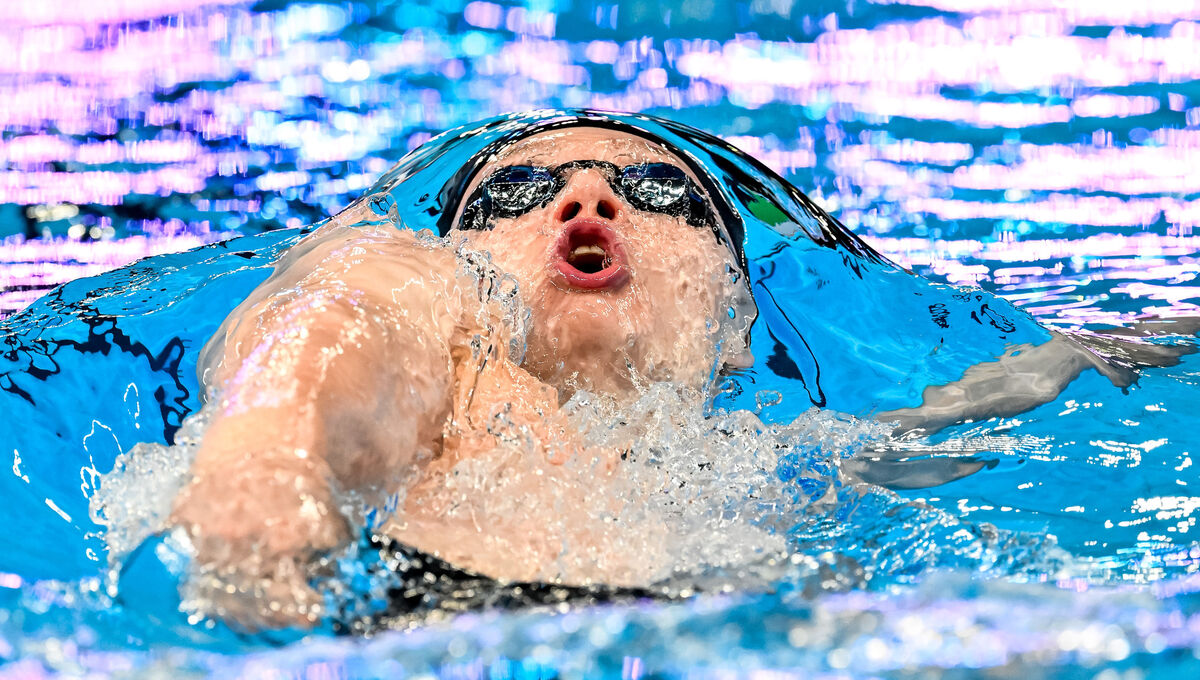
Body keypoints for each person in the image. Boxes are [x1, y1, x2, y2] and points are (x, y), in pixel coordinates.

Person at [162, 111, 1189, 630]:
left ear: (737, 315)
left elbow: (1043, 372)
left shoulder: (804, 460)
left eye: (659, 190)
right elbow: (323, 340)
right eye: (520, 189)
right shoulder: (423, 327)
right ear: (457, 265)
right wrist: (263, 486)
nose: (588, 203)